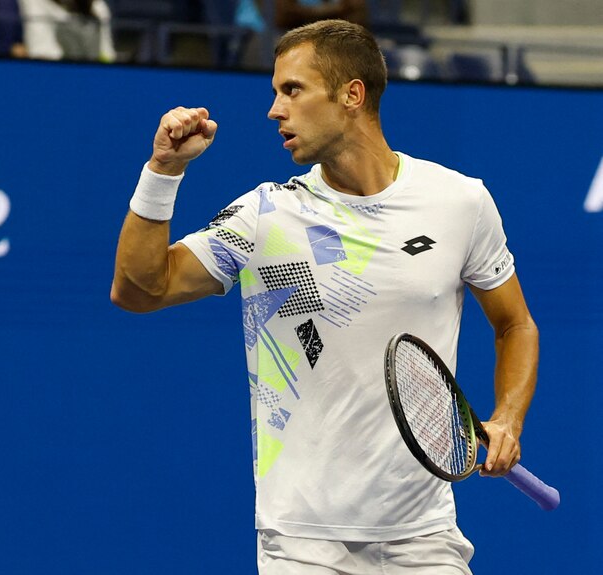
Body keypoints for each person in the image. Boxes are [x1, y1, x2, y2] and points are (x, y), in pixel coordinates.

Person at [110, 19, 538, 574]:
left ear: (351, 95)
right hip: (303, 545)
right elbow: (139, 290)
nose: (274, 110)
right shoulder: (266, 216)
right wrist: (164, 171)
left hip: (425, 537)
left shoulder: (460, 202)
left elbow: (515, 325)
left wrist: (508, 418)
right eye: (274, 92)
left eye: (292, 90)